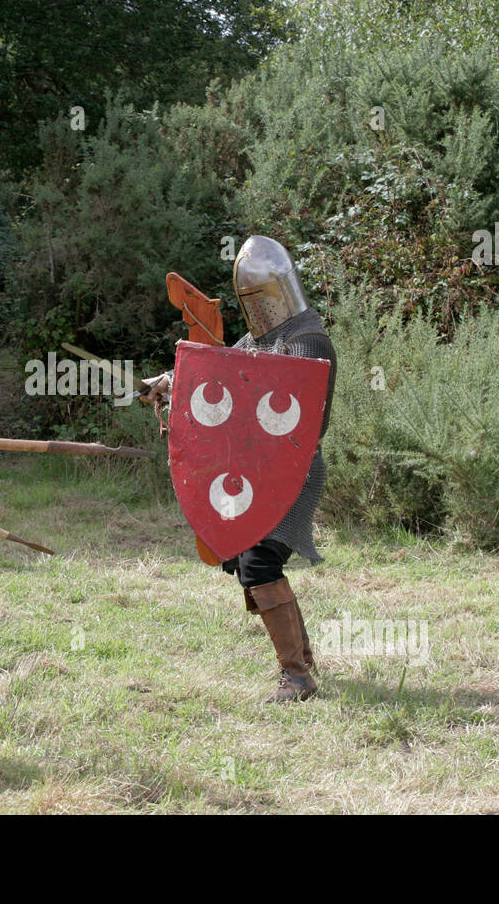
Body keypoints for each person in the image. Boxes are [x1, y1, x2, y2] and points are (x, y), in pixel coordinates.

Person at [145, 235, 336, 703]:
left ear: (279, 291)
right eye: (248, 302)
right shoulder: (260, 339)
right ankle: (302, 665)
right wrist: (171, 383)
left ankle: (297, 677)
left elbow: (285, 413)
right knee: (249, 562)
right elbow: (222, 374)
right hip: (257, 472)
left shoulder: (308, 341)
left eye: (259, 299)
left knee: (259, 562)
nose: (256, 310)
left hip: (292, 471)